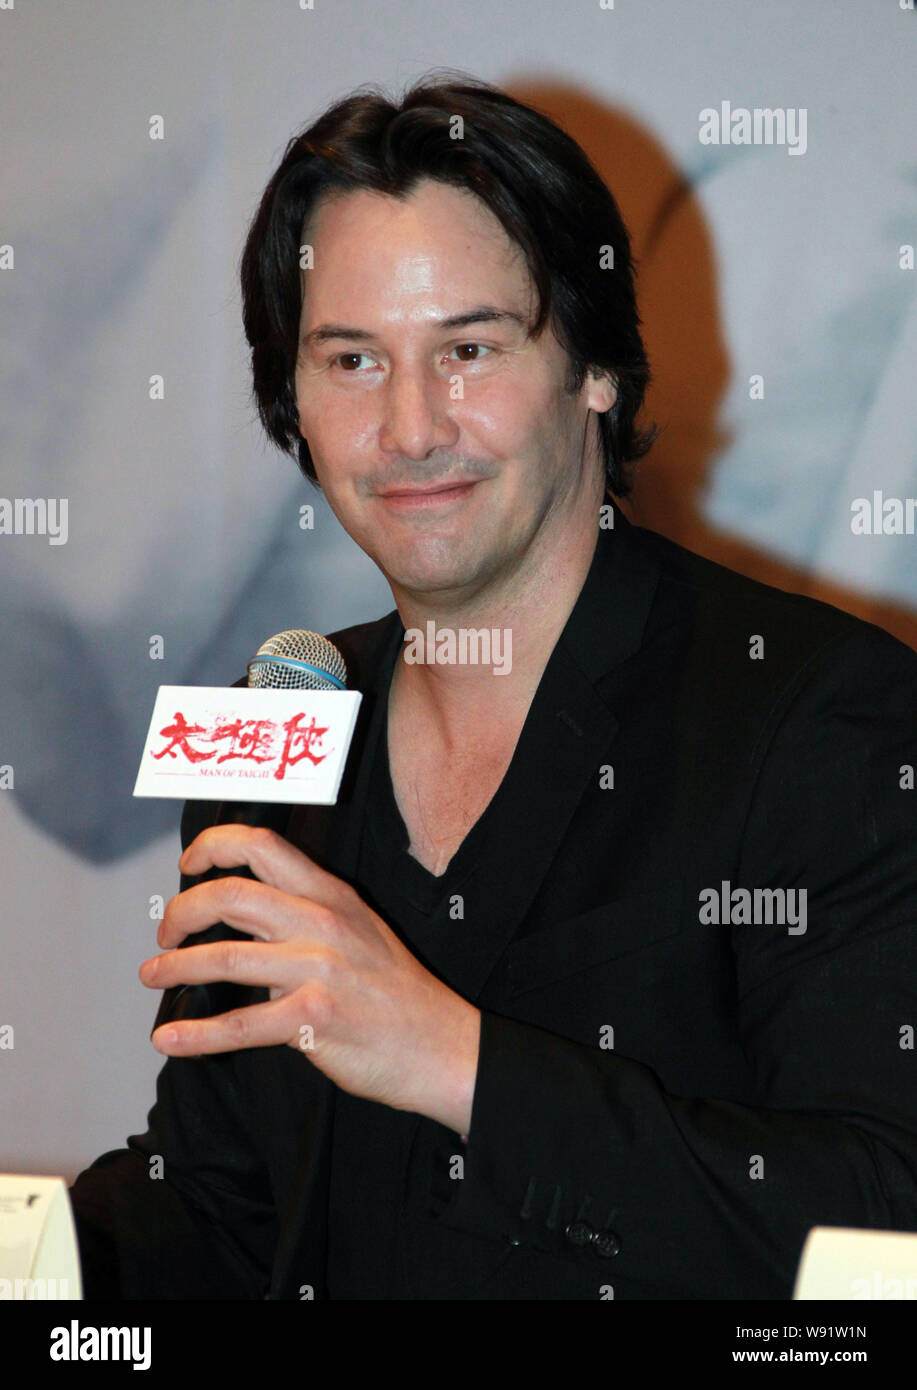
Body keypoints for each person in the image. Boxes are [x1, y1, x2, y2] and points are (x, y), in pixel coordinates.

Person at [70, 74, 917, 1300]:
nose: (410, 427)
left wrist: (452, 1061)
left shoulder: (826, 713)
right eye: (351, 359)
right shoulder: (270, 710)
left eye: (467, 350)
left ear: (594, 370)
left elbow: (879, 1225)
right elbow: (221, 1194)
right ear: (291, 404)